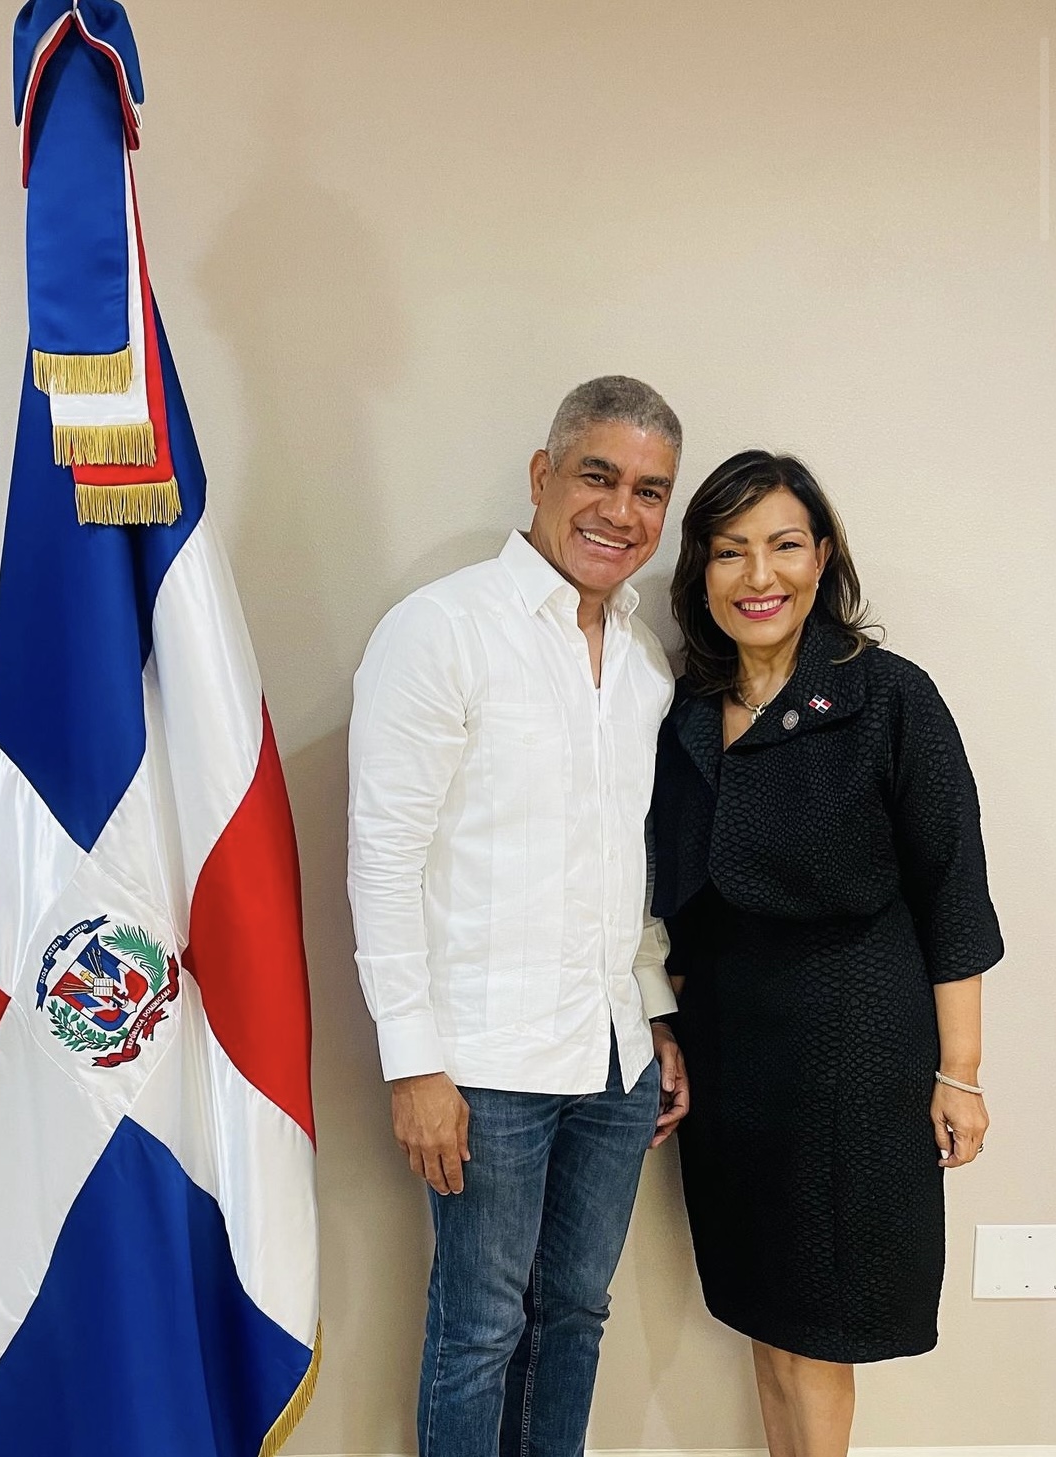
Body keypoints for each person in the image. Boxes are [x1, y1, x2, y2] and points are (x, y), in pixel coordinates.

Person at [348, 376, 689, 1457]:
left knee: (575, 1315)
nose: (620, 511)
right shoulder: (439, 629)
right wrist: (413, 1063)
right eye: (597, 475)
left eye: (649, 490)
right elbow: (382, 859)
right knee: (479, 1329)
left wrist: (653, 1017)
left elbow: (625, 866)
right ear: (541, 477)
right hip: (481, 1065)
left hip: (612, 1062)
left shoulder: (642, 664)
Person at [650, 450, 1003, 1457]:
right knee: (764, 1314)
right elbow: (663, 893)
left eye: (782, 545)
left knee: (819, 1326)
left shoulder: (887, 698)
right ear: (701, 570)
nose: (757, 575)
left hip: (850, 1047)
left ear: (822, 557)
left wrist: (960, 1073)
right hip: (729, 1056)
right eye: (730, 551)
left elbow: (953, 890)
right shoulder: (681, 712)